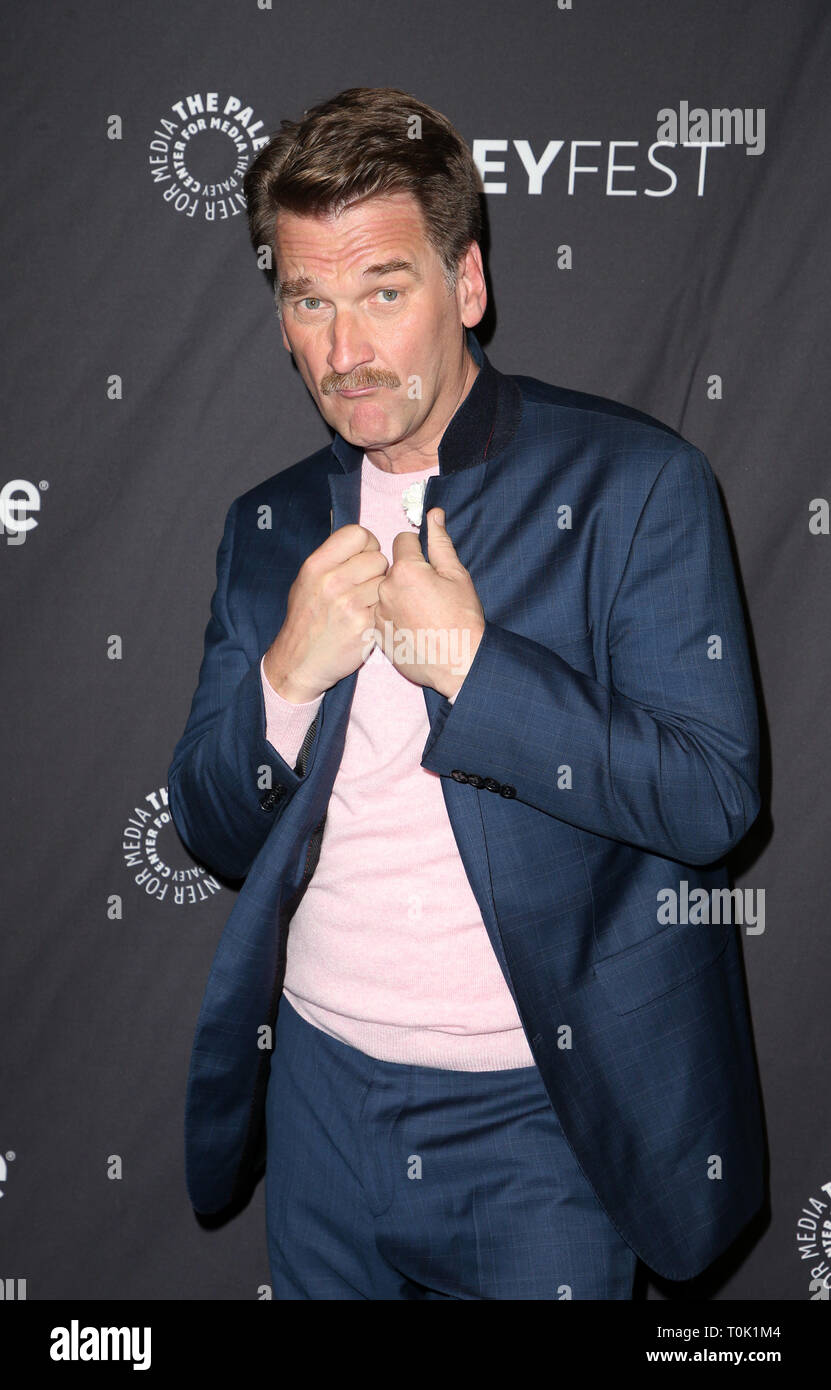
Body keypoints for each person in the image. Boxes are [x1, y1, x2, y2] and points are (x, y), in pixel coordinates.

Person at [168, 86, 767, 1300]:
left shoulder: (637, 485)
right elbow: (212, 824)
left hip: (544, 1120)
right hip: (322, 1100)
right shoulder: (269, 524)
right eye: (310, 300)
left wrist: (479, 674)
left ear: (469, 287)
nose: (345, 352)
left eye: (384, 291)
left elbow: (715, 799)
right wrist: (285, 678)